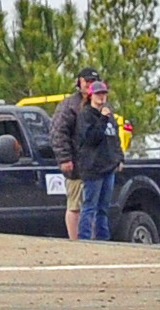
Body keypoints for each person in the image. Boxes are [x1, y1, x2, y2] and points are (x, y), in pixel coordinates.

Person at [51, 68, 123, 239]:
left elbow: (113, 137)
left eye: (96, 83)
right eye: (87, 81)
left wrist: (118, 158)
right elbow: (58, 133)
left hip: (103, 164)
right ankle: (78, 242)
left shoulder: (105, 111)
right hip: (80, 164)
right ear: (79, 82)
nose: (91, 86)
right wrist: (65, 158)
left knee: (100, 207)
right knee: (77, 205)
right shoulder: (70, 106)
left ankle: (100, 239)